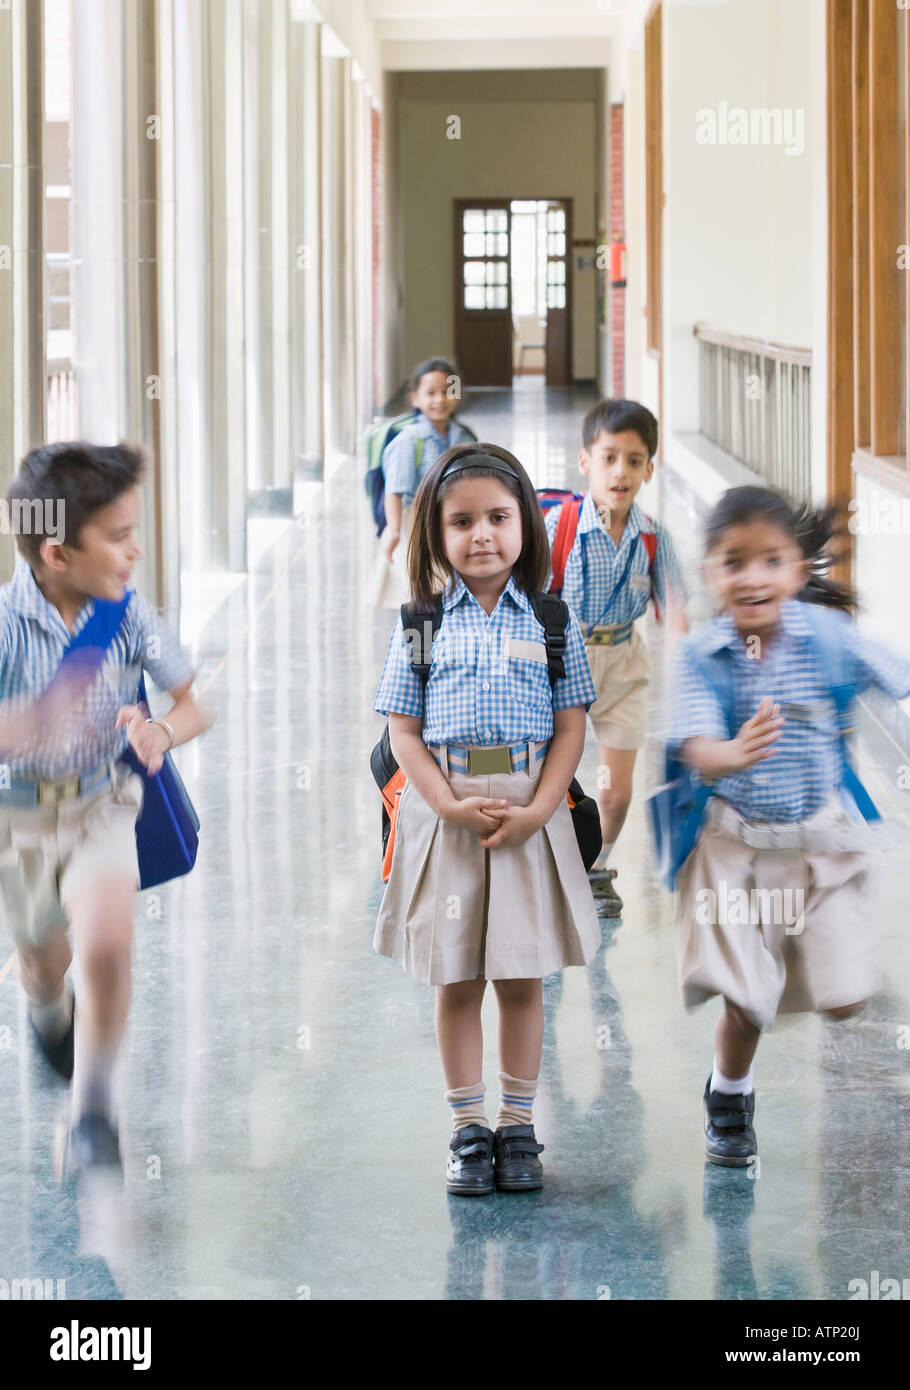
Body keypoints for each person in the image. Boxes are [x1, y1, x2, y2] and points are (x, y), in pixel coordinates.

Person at [373, 441, 599, 1196]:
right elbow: (404, 732)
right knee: (458, 976)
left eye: (499, 517)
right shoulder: (423, 623)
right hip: (451, 810)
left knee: (522, 974)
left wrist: (539, 810)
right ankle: (468, 1128)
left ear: (526, 525)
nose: (482, 535)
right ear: (434, 533)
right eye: (461, 520)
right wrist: (445, 805)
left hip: (530, 809)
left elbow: (571, 727)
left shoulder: (553, 620)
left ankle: (519, 1126)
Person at [666, 486, 910, 1166]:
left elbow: (899, 677)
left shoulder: (828, 639)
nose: (751, 576)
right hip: (735, 848)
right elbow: (692, 743)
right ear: (712, 574)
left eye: (770, 560)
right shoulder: (703, 656)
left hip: (821, 843)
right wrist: (730, 752)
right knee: (749, 1004)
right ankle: (729, 1096)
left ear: (797, 572)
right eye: (732, 561)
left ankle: (804, 1002)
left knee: (845, 1000)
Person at [0, 442, 212, 1171]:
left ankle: (93, 1107)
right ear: (57, 553)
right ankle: (46, 1011)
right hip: (20, 819)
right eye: (118, 536)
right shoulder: (3, 623)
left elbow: (192, 706)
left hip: (102, 803)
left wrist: (160, 729)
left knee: (108, 945)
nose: (136, 548)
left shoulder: (129, 616)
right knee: (43, 960)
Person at [544, 398, 688, 914]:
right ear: (585, 462)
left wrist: (687, 670)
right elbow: (524, 603)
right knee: (548, 780)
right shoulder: (557, 529)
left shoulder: (653, 537)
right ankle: (547, 865)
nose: (619, 472)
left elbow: (676, 614)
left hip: (625, 664)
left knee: (618, 792)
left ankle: (594, 866)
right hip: (561, 666)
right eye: (608, 457)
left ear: (650, 468)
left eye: (633, 460)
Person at [375, 357, 474, 609]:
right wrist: (395, 531)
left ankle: (444, 641)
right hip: (416, 526)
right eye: (430, 393)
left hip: (452, 522)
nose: (439, 400)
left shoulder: (463, 437)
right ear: (415, 398)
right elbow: (395, 491)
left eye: (447, 392)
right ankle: (420, 644)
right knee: (421, 593)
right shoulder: (409, 441)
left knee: (448, 589)